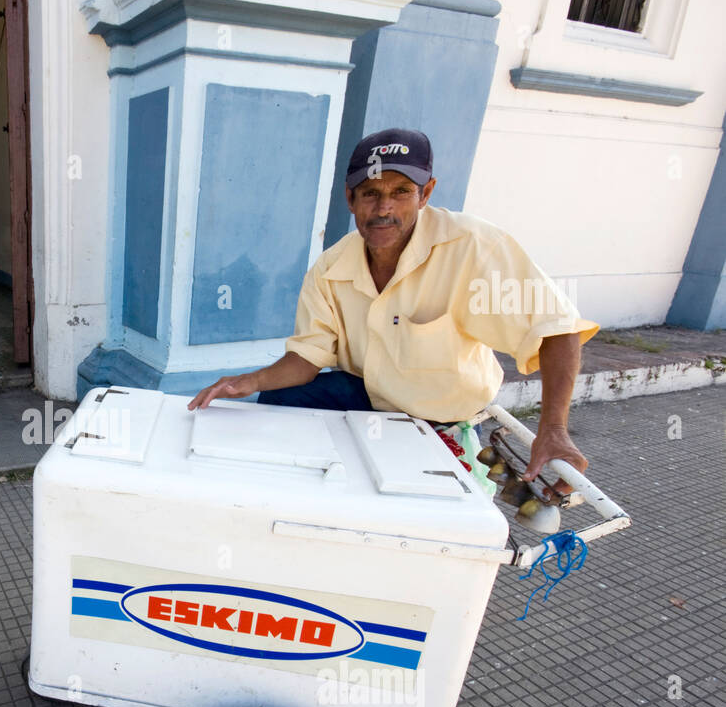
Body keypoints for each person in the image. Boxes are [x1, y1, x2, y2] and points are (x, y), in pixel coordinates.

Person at [187, 128, 598, 498]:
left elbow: (555, 329)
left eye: (401, 191)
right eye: (370, 193)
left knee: (421, 514)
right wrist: (246, 381)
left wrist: (554, 430)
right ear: (351, 199)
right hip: (368, 395)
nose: (384, 208)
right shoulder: (331, 268)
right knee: (276, 398)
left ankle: (461, 475)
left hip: (438, 417)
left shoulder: (474, 246)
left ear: (426, 193)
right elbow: (307, 358)